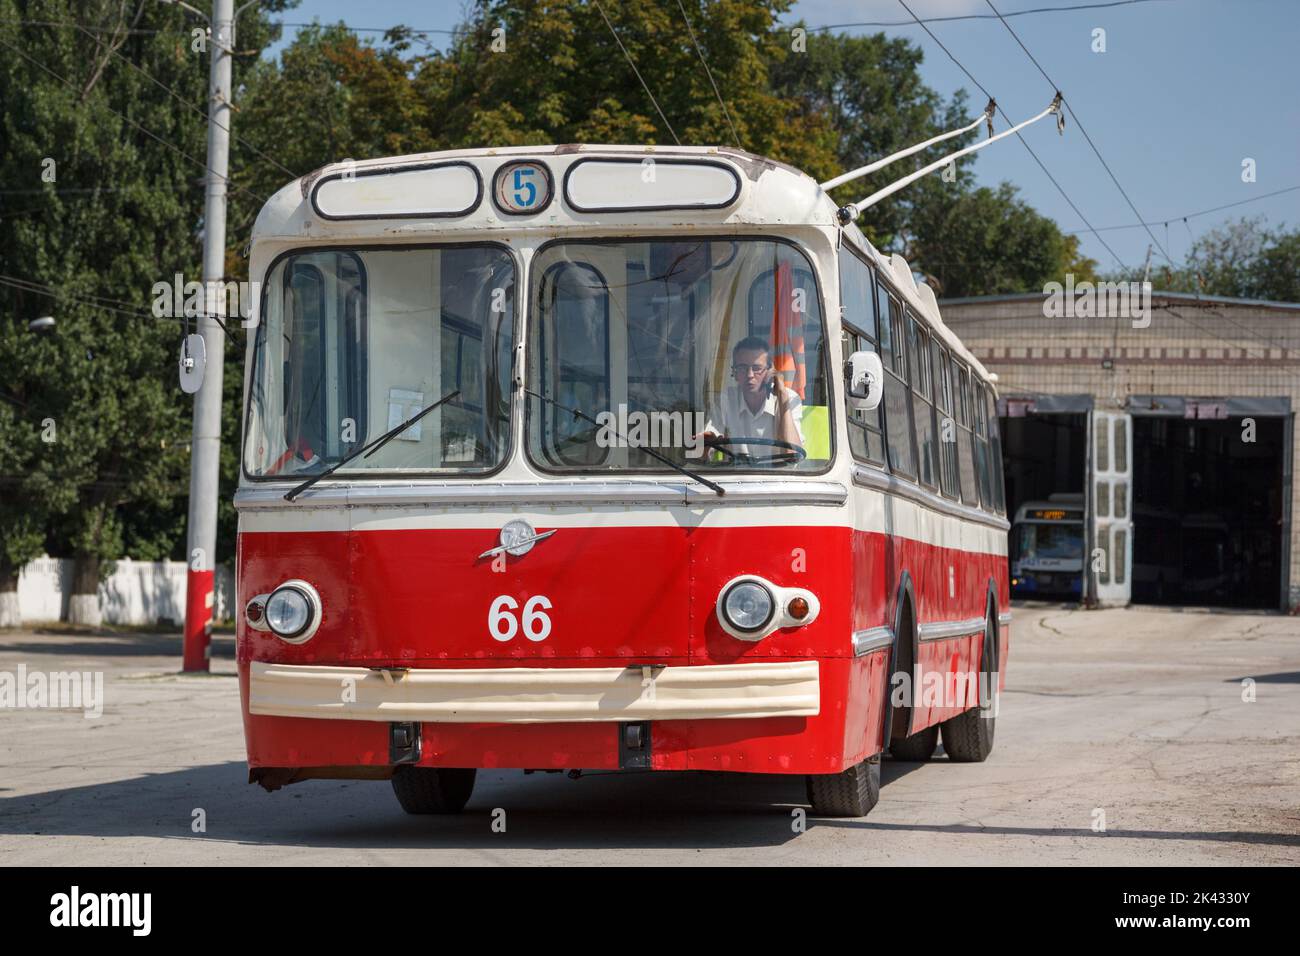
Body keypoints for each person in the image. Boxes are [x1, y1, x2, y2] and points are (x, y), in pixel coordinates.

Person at [702, 336, 803, 460]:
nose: (750, 375)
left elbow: (793, 456)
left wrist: (782, 395)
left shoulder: (789, 398)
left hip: (778, 477)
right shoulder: (725, 401)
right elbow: (702, 456)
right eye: (742, 368)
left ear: (770, 371)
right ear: (734, 373)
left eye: (757, 369)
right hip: (735, 477)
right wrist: (706, 445)